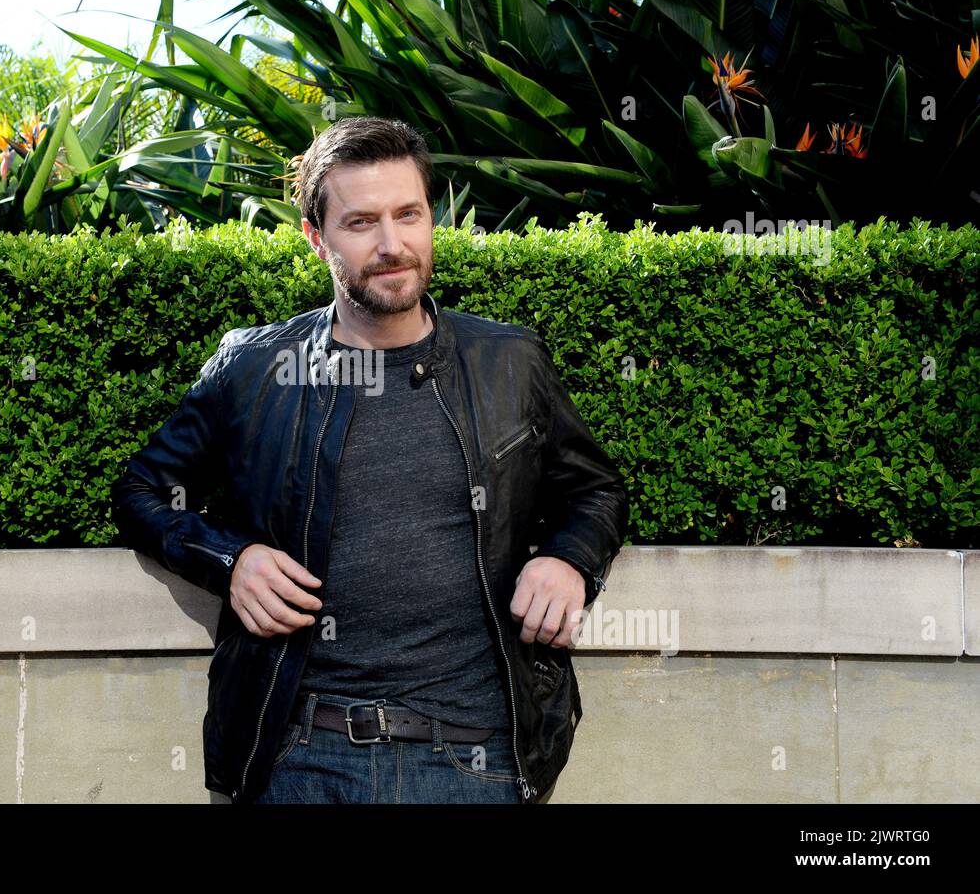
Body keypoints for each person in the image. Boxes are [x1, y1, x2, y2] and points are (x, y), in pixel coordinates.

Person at [110, 116, 628, 804]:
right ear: (316, 236)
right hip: (300, 754)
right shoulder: (256, 367)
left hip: (477, 757)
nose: (392, 245)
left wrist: (568, 558)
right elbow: (143, 488)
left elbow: (595, 490)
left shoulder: (508, 361)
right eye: (361, 223)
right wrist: (230, 561)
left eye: (408, 214)